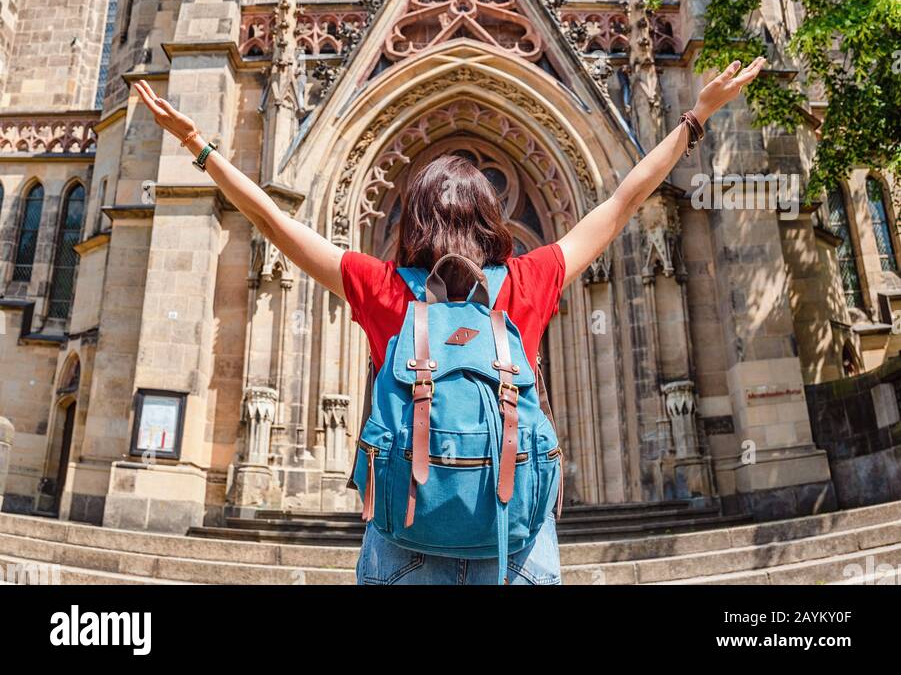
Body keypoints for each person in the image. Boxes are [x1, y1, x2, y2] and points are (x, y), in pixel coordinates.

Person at [133, 55, 765, 584]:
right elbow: (625, 199)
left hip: (408, 535)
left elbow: (277, 222)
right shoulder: (528, 279)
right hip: (512, 539)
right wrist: (696, 116)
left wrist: (202, 147)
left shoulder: (382, 287)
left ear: (413, 221)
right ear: (492, 219)